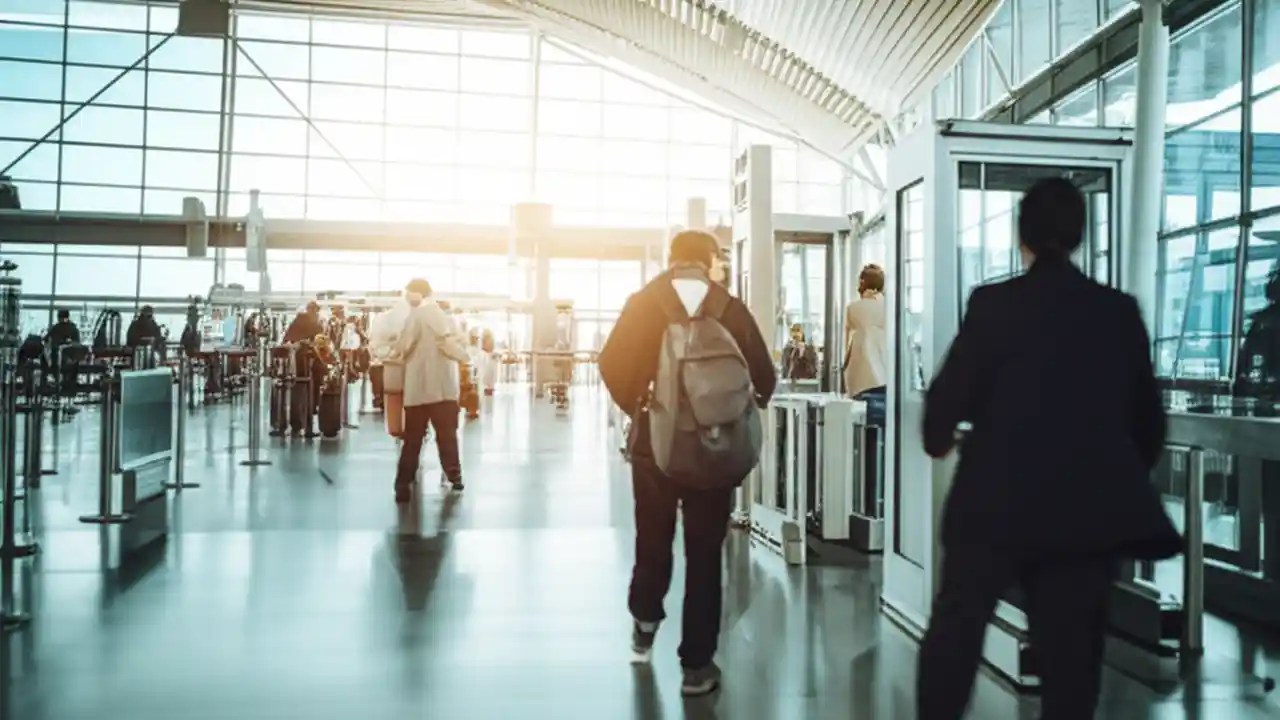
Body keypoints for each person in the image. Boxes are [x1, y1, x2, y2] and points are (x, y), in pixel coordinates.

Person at [916, 178, 1181, 720]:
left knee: (956, 635)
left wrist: (938, 439)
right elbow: (1149, 425)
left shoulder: (993, 305)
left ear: (1023, 237)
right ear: (1081, 236)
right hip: (1081, 517)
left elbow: (948, 397)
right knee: (1072, 660)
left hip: (991, 506)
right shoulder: (1118, 313)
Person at [599, 229, 776, 697]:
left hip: (652, 450)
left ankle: (644, 621)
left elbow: (610, 364)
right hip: (714, 450)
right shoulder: (730, 309)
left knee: (652, 538)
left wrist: (641, 407)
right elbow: (764, 377)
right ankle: (697, 666)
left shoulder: (643, 303)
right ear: (711, 262)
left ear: (672, 259)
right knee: (704, 554)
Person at [393, 278, 469, 503]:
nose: (407, 297)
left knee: (413, 439)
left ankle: (403, 485)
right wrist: (465, 358)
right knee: (447, 436)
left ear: (417, 293)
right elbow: (453, 345)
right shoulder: (443, 317)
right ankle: (454, 476)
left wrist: (394, 352)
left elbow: (404, 346)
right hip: (443, 390)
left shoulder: (419, 315)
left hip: (418, 390)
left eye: (408, 293)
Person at [844, 263, 888, 425]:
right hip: (888, 379)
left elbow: (847, 345)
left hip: (863, 380)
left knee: (865, 432)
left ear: (862, 283)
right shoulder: (890, 308)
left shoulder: (853, 309)